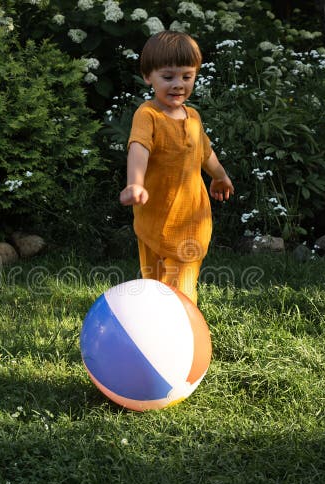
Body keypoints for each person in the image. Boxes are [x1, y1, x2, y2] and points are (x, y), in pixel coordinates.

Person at [119, 30, 234, 306]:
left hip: (190, 222)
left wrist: (220, 176)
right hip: (153, 218)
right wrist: (135, 183)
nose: (178, 85)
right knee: (154, 287)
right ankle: (149, 337)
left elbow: (204, 152)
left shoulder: (193, 117)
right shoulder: (148, 115)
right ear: (149, 77)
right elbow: (139, 147)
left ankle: (181, 337)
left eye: (187, 76)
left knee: (179, 293)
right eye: (168, 77)